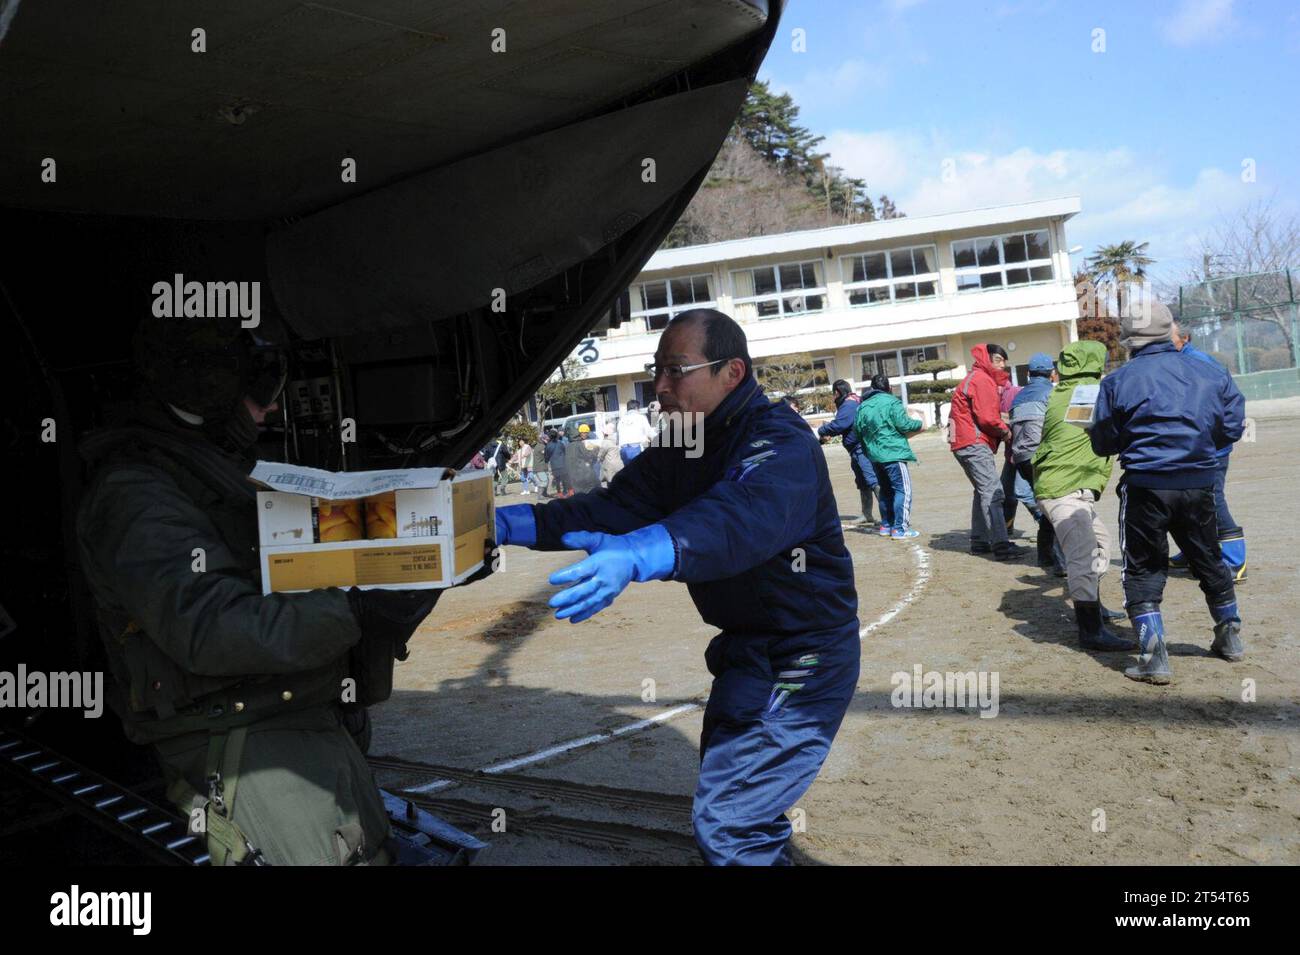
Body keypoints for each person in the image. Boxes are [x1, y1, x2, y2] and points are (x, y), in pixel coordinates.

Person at [75, 315, 446, 865]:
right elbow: (211, 627)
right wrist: (354, 609)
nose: (273, 407)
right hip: (237, 739)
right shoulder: (135, 493)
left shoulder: (209, 471)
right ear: (208, 385)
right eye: (262, 389)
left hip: (296, 719)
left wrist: (407, 579)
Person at [494, 308, 860, 865]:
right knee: (741, 801)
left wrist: (641, 554)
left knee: (730, 821)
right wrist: (505, 526)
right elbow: (614, 506)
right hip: (746, 651)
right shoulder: (686, 441)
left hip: (803, 657)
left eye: (677, 370)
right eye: (656, 370)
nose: (660, 387)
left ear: (732, 372)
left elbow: (737, 519)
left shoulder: (780, 442)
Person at [1090, 302, 1246, 684]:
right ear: (1170, 331)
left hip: (1146, 485)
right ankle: (1230, 636)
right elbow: (1232, 424)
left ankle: (1152, 655)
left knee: (1143, 566)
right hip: (1199, 481)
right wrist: (1200, 448)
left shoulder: (1116, 382)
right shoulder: (1209, 370)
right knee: (1208, 556)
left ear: (1129, 341)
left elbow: (1104, 442)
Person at [1031, 341, 1133, 651]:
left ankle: (1094, 605)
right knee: (1084, 557)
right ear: (1095, 365)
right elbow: (1109, 431)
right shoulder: (1088, 393)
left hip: (1067, 487)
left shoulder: (1066, 392)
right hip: (1064, 489)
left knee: (1101, 544)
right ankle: (1090, 631)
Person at [1170, 322, 1247, 581]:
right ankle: (1191, 551)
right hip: (1189, 447)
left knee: (1213, 499)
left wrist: (1216, 441)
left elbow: (1233, 405)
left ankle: (1236, 562)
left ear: (1185, 338)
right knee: (1188, 501)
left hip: (1209, 449)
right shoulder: (1174, 362)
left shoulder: (1203, 364)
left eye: (1168, 338)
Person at [948, 344, 1024, 560]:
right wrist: (1005, 431)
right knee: (993, 492)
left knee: (982, 491)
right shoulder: (982, 380)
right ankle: (1001, 544)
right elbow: (987, 418)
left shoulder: (974, 377)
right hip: (973, 442)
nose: (1003, 365)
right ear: (987, 359)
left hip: (963, 442)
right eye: (998, 360)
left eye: (1004, 361)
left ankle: (980, 541)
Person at [1009, 353, 1067, 573]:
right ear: (1052, 374)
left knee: (1046, 505)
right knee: (1058, 506)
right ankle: (1060, 561)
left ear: (1028, 374)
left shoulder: (1018, 397)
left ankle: (1044, 556)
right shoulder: (1053, 393)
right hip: (1043, 457)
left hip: (1021, 459)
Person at [853, 373, 922, 539]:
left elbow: (857, 430)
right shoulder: (892, 402)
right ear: (889, 388)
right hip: (893, 453)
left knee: (885, 490)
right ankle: (900, 528)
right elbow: (904, 425)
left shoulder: (862, 406)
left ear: (872, 388)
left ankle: (886, 525)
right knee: (902, 490)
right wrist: (919, 422)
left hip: (875, 456)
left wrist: (868, 450)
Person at [817, 378, 879, 525]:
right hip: (855, 450)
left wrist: (821, 429)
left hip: (861, 449)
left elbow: (840, 425)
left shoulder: (849, 404)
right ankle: (867, 514)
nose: (833, 397)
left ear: (838, 392)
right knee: (862, 482)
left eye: (833, 394)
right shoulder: (853, 401)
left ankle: (889, 515)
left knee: (872, 481)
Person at [616, 399, 655, 465]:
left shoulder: (621, 420)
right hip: (636, 448)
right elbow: (649, 432)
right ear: (636, 408)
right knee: (639, 471)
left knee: (629, 471)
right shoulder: (640, 417)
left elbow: (617, 437)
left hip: (623, 450)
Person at [567, 423, 600, 493]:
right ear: (578, 434)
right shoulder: (579, 444)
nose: (585, 434)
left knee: (579, 494)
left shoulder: (568, 446)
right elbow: (588, 455)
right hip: (582, 473)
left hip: (573, 475)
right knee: (590, 491)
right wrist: (595, 450)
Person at [597, 422, 624, 486]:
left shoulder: (605, 442)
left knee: (610, 484)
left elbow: (601, 454)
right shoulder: (614, 440)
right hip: (619, 464)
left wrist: (598, 459)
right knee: (619, 483)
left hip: (610, 467)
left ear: (605, 433)